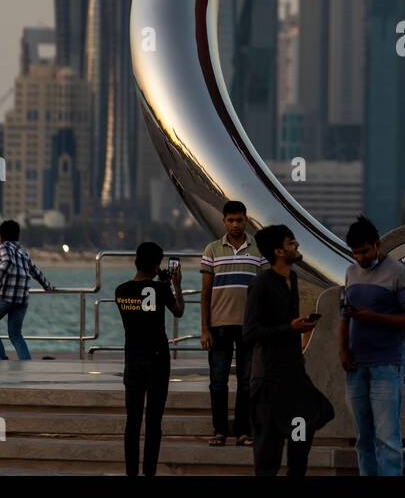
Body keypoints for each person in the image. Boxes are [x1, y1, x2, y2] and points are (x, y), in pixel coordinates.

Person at [243, 224, 334, 476]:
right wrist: (289, 327)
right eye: (291, 242)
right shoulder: (261, 285)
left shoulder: (293, 279)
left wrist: (298, 327)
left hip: (294, 379)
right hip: (268, 381)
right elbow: (250, 333)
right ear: (279, 251)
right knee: (268, 454)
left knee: (301, 441)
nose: (297, 245)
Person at [339, 215, 405, 476]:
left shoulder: (398, 272)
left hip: (386, 365)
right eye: (355, 254)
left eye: (364, 251)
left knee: (387, 439)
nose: (360, 258)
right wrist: (342, 349)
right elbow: (344, 315)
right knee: (364, 438)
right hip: (355, 365)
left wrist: (376, 318)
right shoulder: (350, 273)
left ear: (377, 245)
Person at [114, 241, 184, 476]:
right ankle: (149, 472)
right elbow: (179, 311)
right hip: (158, 359)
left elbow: (142, 302)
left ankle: (131, 472)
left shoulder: (120, 291)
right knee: (154, 421)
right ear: (156, 265)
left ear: (136, 262)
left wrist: (158, 283)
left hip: (133, 359)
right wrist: (175, 284)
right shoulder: (161, 289)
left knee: (132, 421)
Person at [199, 199, 264, 446]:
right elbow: (205, 293)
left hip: (249, 327)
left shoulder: (258, 251)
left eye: (239, 220)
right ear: (223, 221)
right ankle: (219, 431)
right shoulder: (212, 250)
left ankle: (243, 431)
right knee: (218, 381)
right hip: (219, 326)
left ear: (246, 220)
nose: (235, 224)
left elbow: (265, 292)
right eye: (231, 220)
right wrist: (205, 328)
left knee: (246, 382)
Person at [0, 219, 55, 360]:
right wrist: (47, 286)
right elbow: (35, 271)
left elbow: (6, 263)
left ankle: (1, 357)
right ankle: (26, 362)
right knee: (15, 334)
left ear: (1, 237)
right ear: (18, 236)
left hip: (5, 297)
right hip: (22, 299)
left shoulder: (3, 248)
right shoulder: (23, 252)